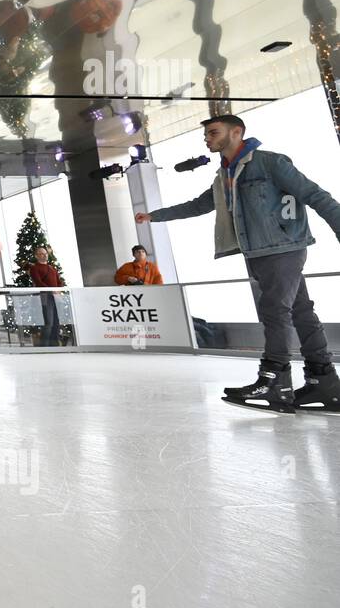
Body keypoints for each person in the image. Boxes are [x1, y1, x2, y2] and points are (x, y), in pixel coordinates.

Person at [137, 114, 340, 412]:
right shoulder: (225, 176)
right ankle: (324, 381)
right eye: (206, 134)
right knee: (299, 310)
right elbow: (199, 205)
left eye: (213, 132)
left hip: (281, 248)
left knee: (274, 310)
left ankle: (274, 380)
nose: (207, 138)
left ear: (237, 132)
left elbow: (315, 195)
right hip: (258, 251)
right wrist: (155, 215)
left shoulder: (270, 162)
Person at [24, 246, 64, 347]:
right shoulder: (34, 268)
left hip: (56, 298)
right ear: (36, 256)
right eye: (42, 253)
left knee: (56, 323)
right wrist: (52, 290)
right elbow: (38, 283)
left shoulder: (52, 268)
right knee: (48, 323)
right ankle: (44, 346)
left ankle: (55, 346)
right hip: (45, 298)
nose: (45, 255)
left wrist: (58, 290)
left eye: (46, 253)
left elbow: (59, 282)